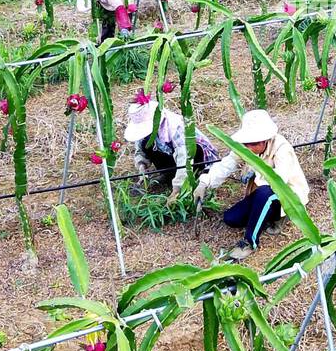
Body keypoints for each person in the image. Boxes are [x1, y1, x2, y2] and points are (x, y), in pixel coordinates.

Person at [193, 109, 309, 261]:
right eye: (245, 143)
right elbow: (227, 164)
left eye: (251, 144)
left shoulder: (282, 149)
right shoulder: (248, 147)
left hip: (286, 196)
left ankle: (250, 242)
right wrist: (204, 183)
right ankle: (264, 216)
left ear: (263, 141)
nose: (247, 148)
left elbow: (279, 181)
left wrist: (255, 178)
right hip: (263, 194)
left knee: (264, 193)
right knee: (231, 219)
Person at [125, 99, 219, 199]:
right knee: (146, 144)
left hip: (196, 158)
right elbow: (140, 150)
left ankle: (195, 177)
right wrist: (141, 165)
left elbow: (184, 159)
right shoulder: (144, 132)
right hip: (173, 156)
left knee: (193, 151)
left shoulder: (174, 127)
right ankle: (168, 174)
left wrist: (176, 190)